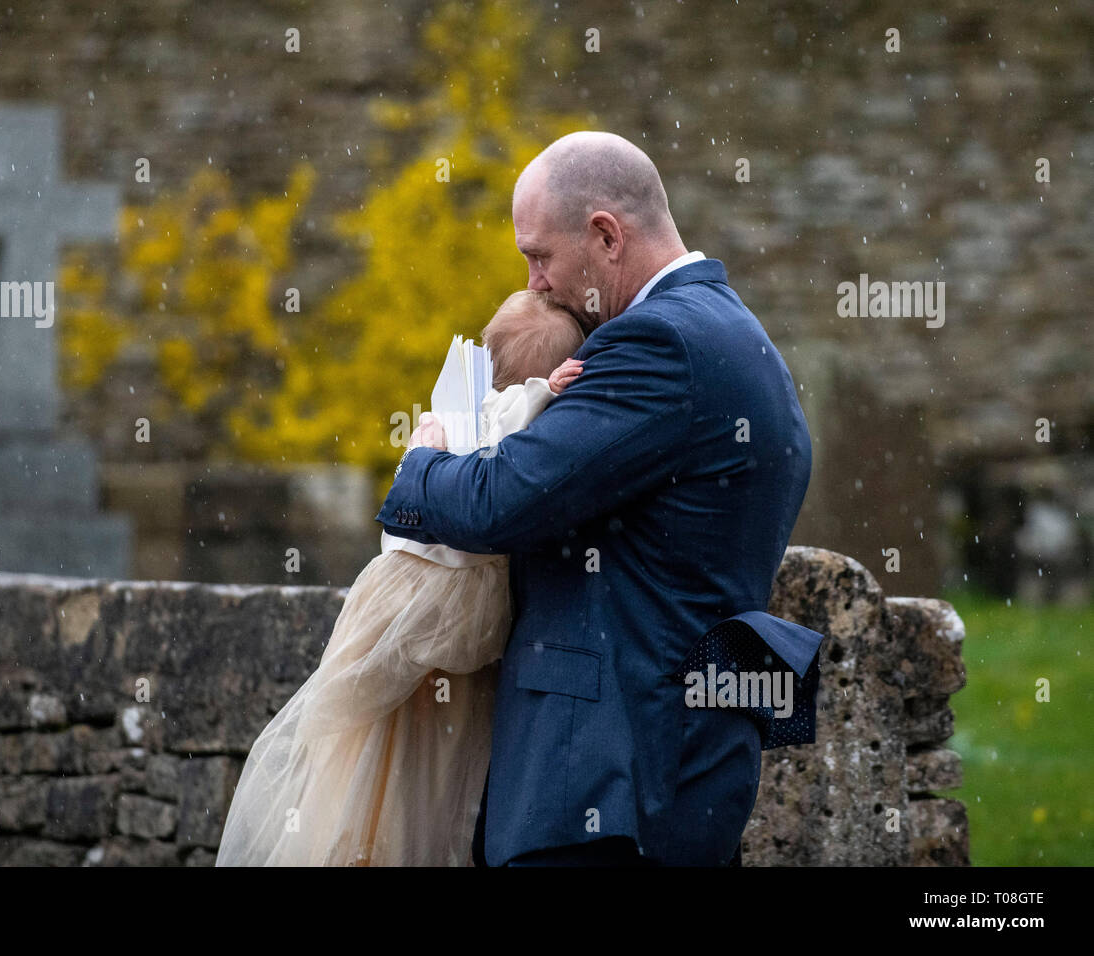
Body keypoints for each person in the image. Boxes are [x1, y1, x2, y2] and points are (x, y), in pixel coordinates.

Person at [378, 130, 820, 867]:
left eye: (539, 256)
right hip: (673, 772)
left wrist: (420, 464)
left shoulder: (660, 346)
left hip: (604, 787)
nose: (532, 283)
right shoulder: (734, 333)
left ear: (606, 236)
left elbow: (501, 500)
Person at [215, 290, 584, 866]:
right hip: (433, 600)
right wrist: (554, 386)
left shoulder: (449, 423)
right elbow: (519, 413)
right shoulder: (502, 418)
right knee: (421, 756)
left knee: (373, 755)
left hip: (399, 591)